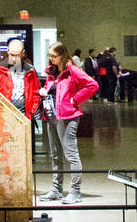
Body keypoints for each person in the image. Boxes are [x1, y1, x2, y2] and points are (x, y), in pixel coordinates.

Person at [37, 42, 98, 204]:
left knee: (71, 154)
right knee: (55, 154)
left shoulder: (73, 71)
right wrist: (44, 92)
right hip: (51, 116)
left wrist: (75, 99)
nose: (50, 59)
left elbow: (93, 85)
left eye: (53, 56)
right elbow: (53, 91)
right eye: (49, 56)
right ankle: (56, 190)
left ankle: (75, 192)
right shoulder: (51, 72)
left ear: (62, 55)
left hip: (68, 116)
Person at [0, 38, 40, 120]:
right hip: (3, 114)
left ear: (23, 53)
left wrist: (33, 111)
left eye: (17, 56)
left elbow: (35, 93)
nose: (13, 59)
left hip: (24, 114)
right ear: (8, 51)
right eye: (12, 55)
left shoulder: (30, 70)